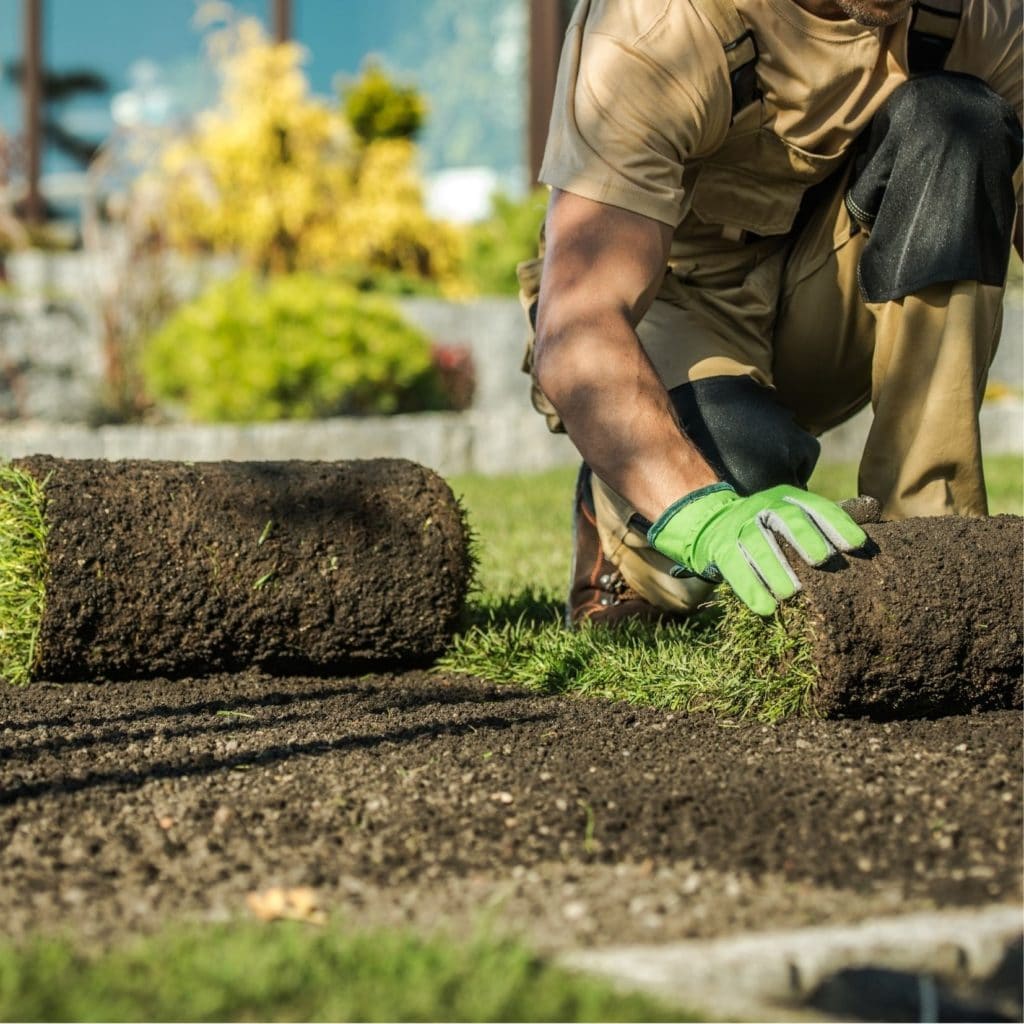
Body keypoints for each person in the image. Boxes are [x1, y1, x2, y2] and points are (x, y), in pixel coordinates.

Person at [517, 0, 1022, 626]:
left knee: (957, 121)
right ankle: (624, 539)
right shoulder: (655, 25)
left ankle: (930, 545)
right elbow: (579, 327)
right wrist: (701, 514)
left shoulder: (982, 16)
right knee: (748, 467)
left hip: (826, 293)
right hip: (681, 302)